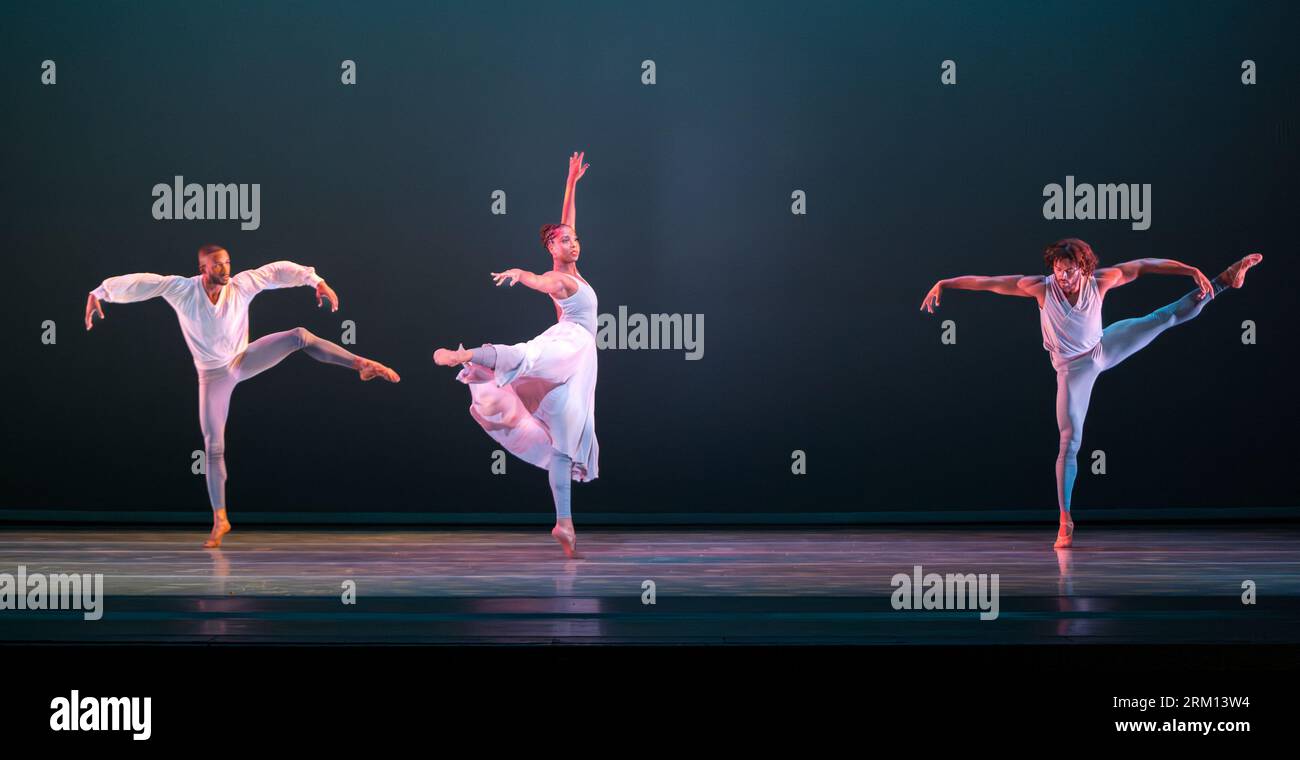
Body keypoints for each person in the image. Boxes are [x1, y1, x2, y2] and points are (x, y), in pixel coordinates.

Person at [920, 239, 1262, 547]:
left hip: (1102, 348)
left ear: (1083, 269)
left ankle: (1222, 281)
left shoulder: (1100, 282)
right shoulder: (1040, 288)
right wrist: (944, 283)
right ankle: (1065, 520)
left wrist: (1191, 270)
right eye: (1058, 270)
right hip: (1072, 370)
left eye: (1069, 272)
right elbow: (990, 283)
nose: (1063, 278)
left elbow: (1145, 265)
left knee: (1163, 318)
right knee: (1069, 441)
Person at [85, 245, 400, 547]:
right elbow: (142, 283)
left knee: (299, 336)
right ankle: (220, 518)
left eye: (227, 263)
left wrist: (315, 281)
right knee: (213, 445)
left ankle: (360, 364)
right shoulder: (181, 290)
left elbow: (277, 271)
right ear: (203, 268)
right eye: (218, 264)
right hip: (213, 376)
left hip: (242, 360)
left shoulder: (241, 285)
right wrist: (100, 293)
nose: (225, 269)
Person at [434, 152, 598, 558]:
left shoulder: (569, 267)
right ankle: (466, 356)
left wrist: (571, 182)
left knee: (565, 440)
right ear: (550, 247)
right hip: (570, 343)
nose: (573, 242)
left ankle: (564, 523)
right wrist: (520, 274)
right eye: (565, 240)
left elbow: (566, 221)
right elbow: (540, 280)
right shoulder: (558, 279)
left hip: (582, 365)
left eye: (575, 238)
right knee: (526, 355)